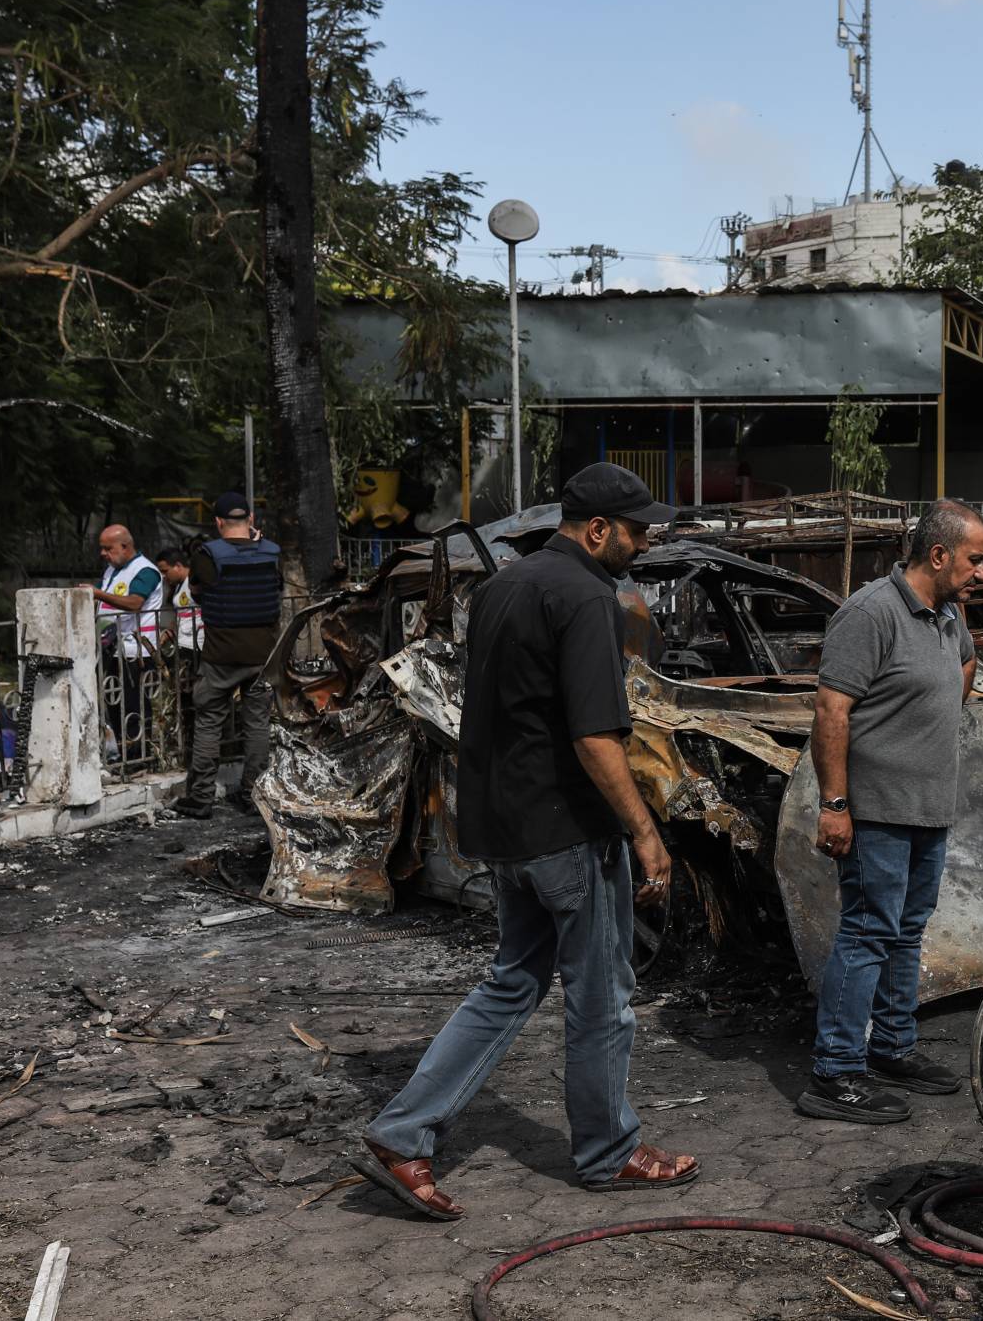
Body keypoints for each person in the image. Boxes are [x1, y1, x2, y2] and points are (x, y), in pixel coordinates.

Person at [353, 463, 698, 1220]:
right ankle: (610, 1151)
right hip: (566, 830)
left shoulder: (505, 584)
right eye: (636, 531)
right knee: (603, 995)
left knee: (513, 981)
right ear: (597, 529)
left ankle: (402, 1131)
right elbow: (596, 739)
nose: (643, 544)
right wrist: (646, 834)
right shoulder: (587, 597)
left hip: (504, 826)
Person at [798, 499, 983, 1124]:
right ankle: (835, 1072)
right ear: (938, 555)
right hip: (875, 811)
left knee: (906, 931)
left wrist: (929, 722)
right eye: (975, 560)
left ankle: (892, 1048)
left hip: (928, 807)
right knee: (868, 932)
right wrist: (834, 806)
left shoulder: (946, 613)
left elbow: (965, 664)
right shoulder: (871, 612)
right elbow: (830, 712)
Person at [171, 493, 279, 819]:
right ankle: (252, 796)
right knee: (258, 725)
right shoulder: (271, 552)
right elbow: (277, 586)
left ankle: (201, 798)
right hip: (263, 653)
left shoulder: (208, 554)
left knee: (208, 723)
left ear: (218, 522)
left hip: (221, 655)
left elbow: (198, 589)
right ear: (250, 520)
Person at [84, 525, 164, 755]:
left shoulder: (145, 570)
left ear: (125, 546)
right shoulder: (112, 570)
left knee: (134, 706)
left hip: (136, 651)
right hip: (113, 648)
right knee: (114, 703)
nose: (103, 553)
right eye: (101, 548)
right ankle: (123, 753)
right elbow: (101, 599)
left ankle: (140, 755)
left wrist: (97, 594)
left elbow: (134, 603)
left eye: (108, 548)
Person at [156, 548, 204, 654]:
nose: (163, 576)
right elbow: (180, 615)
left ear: (178, 566)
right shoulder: (178, 585)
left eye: (165, 571)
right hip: (184, 643)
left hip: (198, 646)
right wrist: (168, 633)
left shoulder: (195, 583)